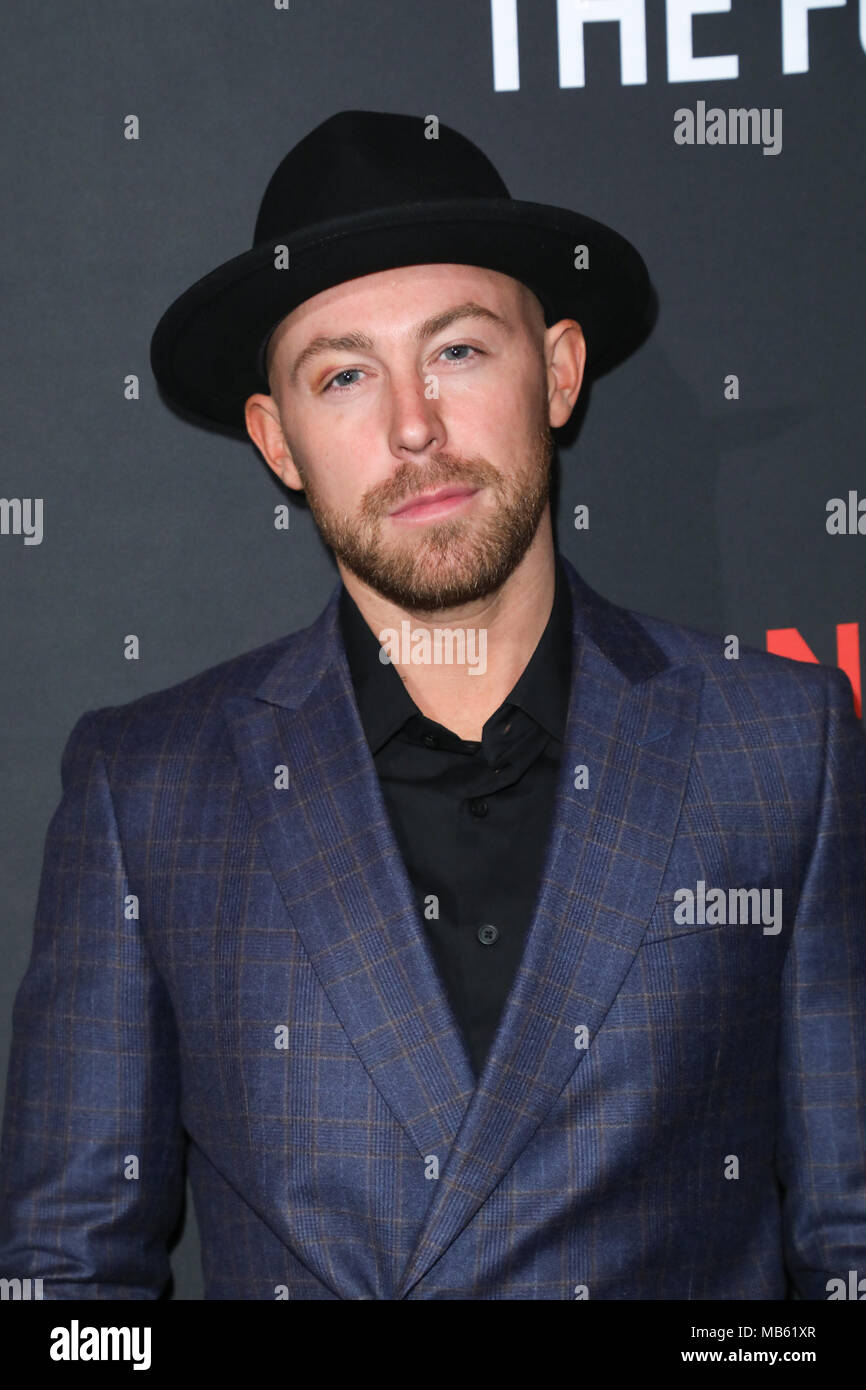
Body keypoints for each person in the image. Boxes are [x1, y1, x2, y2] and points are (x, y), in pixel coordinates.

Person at [1, 109, 864, 1301]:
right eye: (343, 375)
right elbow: (62, 1291)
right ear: (278, 439)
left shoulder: (779, 746)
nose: (412, 426)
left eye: (457, 351)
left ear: (556, 371)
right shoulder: (147, 791)